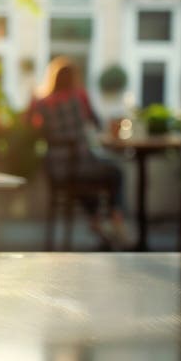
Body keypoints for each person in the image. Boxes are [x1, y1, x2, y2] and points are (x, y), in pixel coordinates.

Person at [27, 57, 128, 249]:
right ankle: (114, 218)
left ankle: (99, 224)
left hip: (57, 171)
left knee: (82, 183)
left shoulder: (42, 104)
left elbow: (31, 127)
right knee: (114, 173)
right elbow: (96, 123)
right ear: (73, 78)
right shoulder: (79, 97)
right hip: (80, 166)